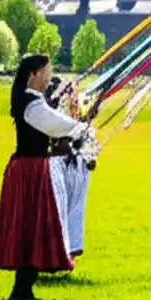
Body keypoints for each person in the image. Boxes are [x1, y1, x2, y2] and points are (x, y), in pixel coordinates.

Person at [0, 54, 89, 300]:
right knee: (30, 227)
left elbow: (53, 116)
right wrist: (79, 128)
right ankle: (22, 291)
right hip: (29, 172)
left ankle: (23, 290)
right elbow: (53, 124)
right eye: (46, 72)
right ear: (33, 75)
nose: (49, 77)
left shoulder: (34, 100)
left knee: (33, 228)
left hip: (33, 169)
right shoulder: (30, 104)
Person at [45, 76, 93, 258]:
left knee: (74, 209)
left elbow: (84, 128)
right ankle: (56, 254)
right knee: (58, 209)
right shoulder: (47, 110)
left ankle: (69, 253)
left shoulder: (77, 109)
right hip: (56, 164)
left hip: (76, 164)